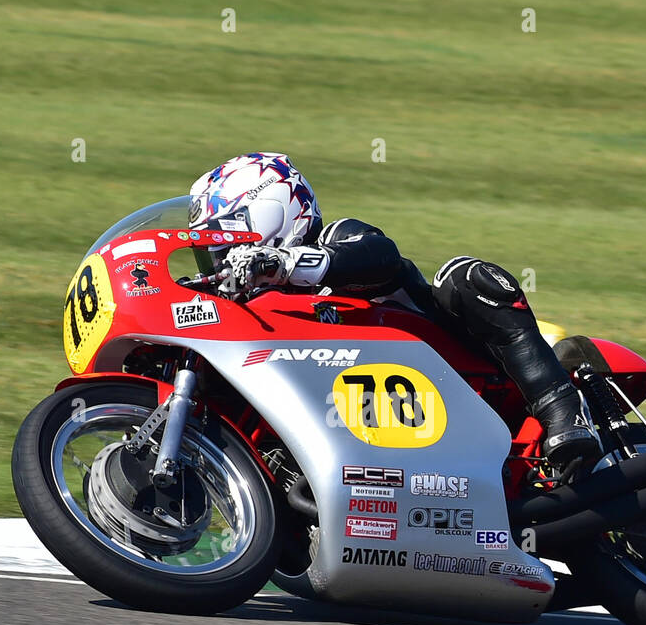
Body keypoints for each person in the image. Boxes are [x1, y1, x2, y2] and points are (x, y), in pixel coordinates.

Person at [188, 151, 598, 464]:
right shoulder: (260, 312)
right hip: (385, 438)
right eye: (210, 253)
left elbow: (382, 257)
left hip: (465, 377)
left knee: (464, 277)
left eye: (224, 243)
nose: (222, 260)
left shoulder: (338, 239)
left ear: (271, 213)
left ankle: (563, 410)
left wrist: (286, 265)